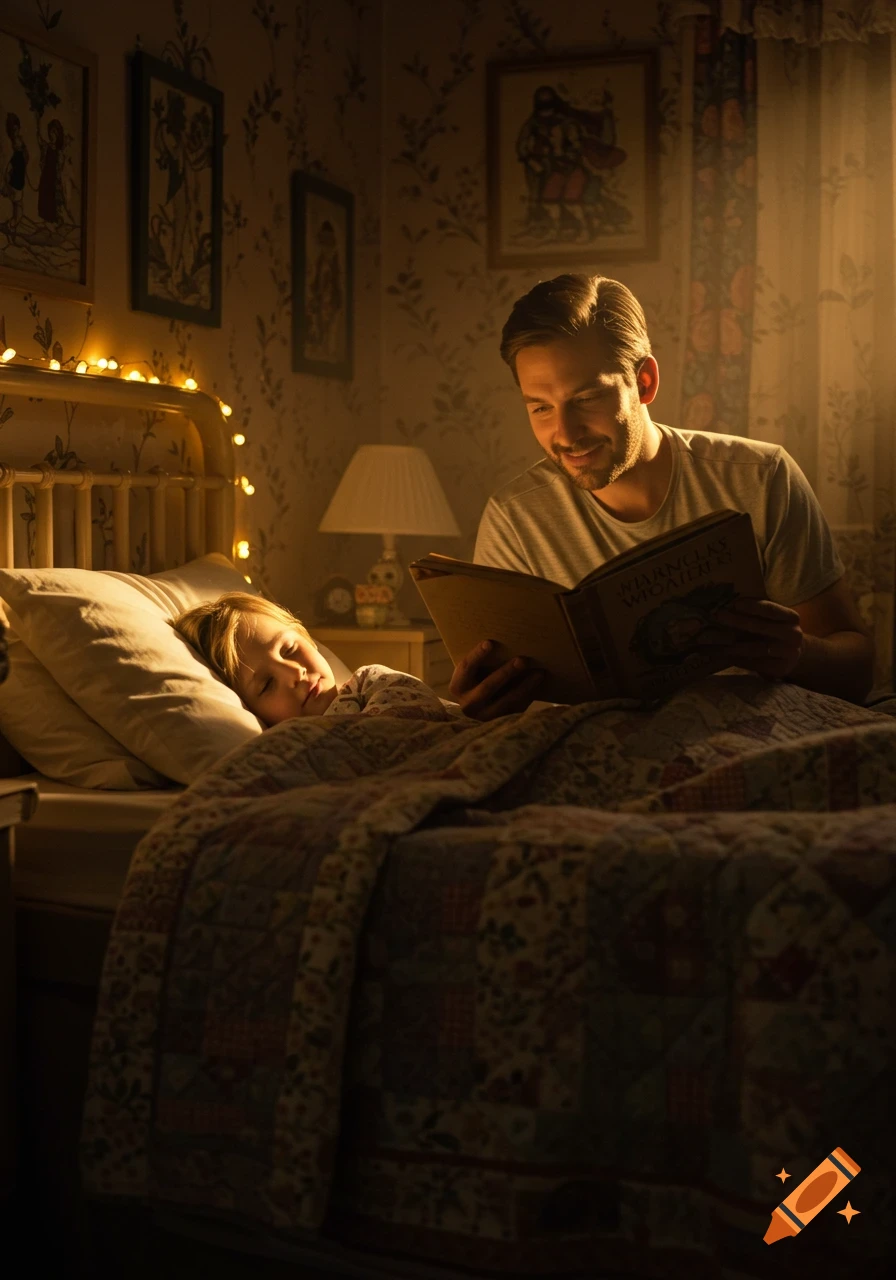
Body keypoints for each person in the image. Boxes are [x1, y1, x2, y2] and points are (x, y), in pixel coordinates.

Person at [449, 273, 874, 717]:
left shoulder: (761, 478)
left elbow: (859, 672)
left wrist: (798, 654)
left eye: (587, 398)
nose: (566, 434)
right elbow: (501, 703)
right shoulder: (514, 518)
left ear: (645, 382)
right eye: (541, 408)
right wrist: (485, 699)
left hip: (746, 735)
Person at [172, 591, 462, 726]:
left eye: (289, 649)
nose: (294, 673)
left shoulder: (372, 683)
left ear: (307, 638)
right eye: (267, 684)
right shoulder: (283, 746)